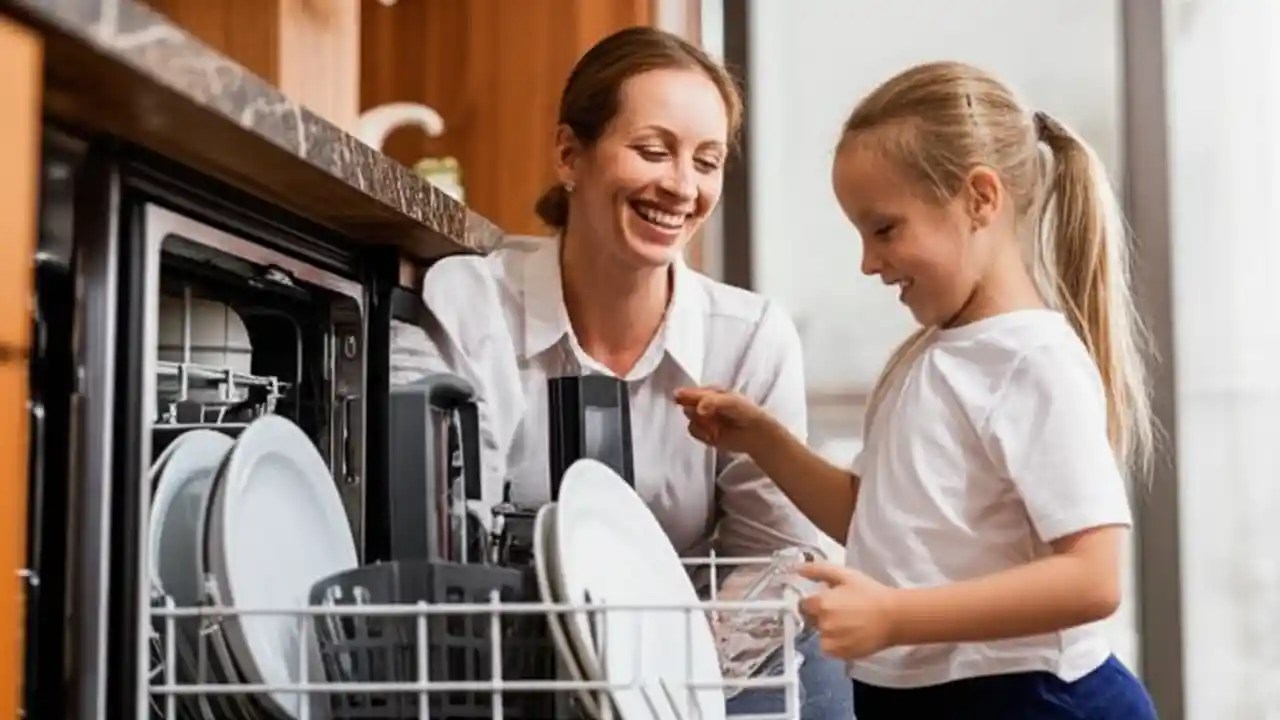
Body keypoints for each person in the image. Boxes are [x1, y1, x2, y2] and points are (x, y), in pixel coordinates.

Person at [389, 26, 853, 719]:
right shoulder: (472, 303)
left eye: (708, 160)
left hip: (697, 671)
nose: (683, 187)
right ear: (570, 154)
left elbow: (775, 564)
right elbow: (449, 538)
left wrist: (653, 683)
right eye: (653, 150)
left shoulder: (750, 338)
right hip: (512, 664)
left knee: (821, 650)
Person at [675, 60, 1160, 719]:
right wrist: (762, 440)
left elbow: (1093, 579)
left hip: (1029, 702)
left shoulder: (1033, 361)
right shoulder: (928, 358)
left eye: (885, 229)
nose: (869, 262)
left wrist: (895, 616)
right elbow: (869, 519)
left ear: (980, 199)